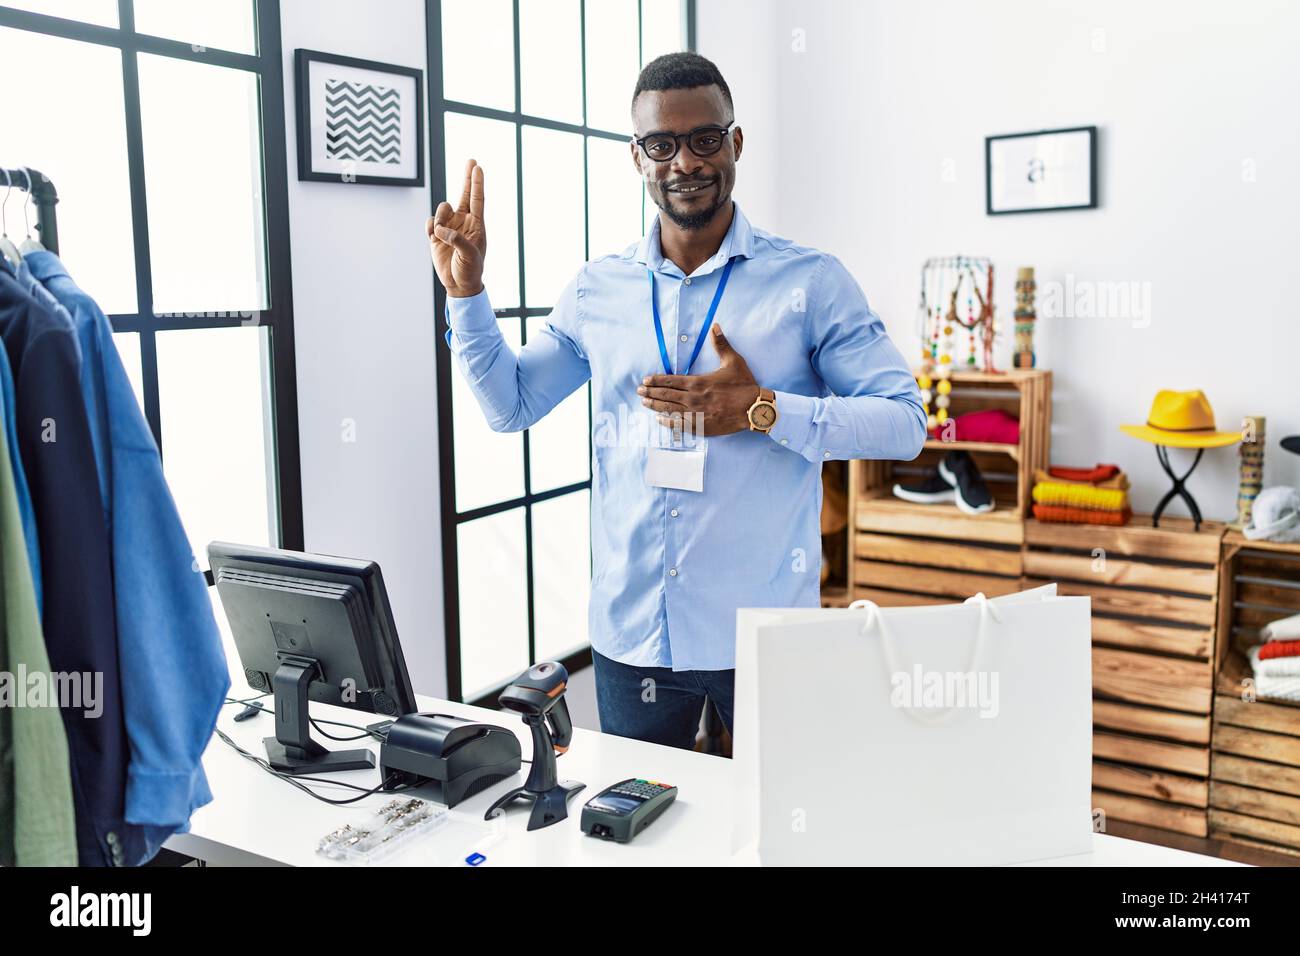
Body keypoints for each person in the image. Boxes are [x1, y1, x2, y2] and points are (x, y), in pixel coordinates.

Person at [429, 51, 925, 749]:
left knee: (777, 835)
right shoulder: (598, 289)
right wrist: (466, 296)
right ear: (637, 157)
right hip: (634, 638)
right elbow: (511, 406)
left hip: (764, 638)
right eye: (661, 144)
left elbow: (904, 425)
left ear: (736, 143)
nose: (684, 162)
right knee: (643, 839)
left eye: (704, 139)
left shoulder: (811, 282)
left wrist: (763, 410)